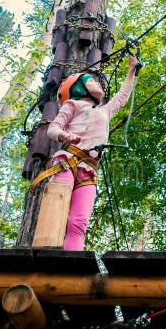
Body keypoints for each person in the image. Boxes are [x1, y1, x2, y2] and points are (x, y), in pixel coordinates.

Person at [41, 54, 139, 250]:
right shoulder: (73, 104)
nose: (99, 86)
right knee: (57, 206)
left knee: (79, 222)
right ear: (80, 86)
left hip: (89, 170)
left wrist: (132, 70)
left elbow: (123, 96)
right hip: (67, 161)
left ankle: (72, 262)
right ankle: (46, 252)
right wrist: (65, 136)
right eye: (92, 82)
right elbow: (52, 129)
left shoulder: (105, 110)